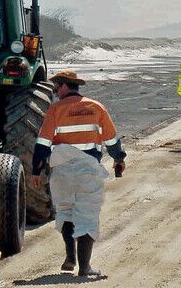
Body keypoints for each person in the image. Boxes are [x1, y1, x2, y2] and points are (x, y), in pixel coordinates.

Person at [31, 70, 127, 276]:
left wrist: (36, 171)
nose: (55, 92)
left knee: (66, 210)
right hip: (88, 170)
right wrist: (119, 159)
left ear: (65, 86)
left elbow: (43, 143)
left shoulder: (55, 110)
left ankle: (70, 257)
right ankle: (85, 267)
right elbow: (111, 140)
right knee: (87, 215)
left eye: (57, 87)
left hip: (62, 170)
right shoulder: (96, 107)